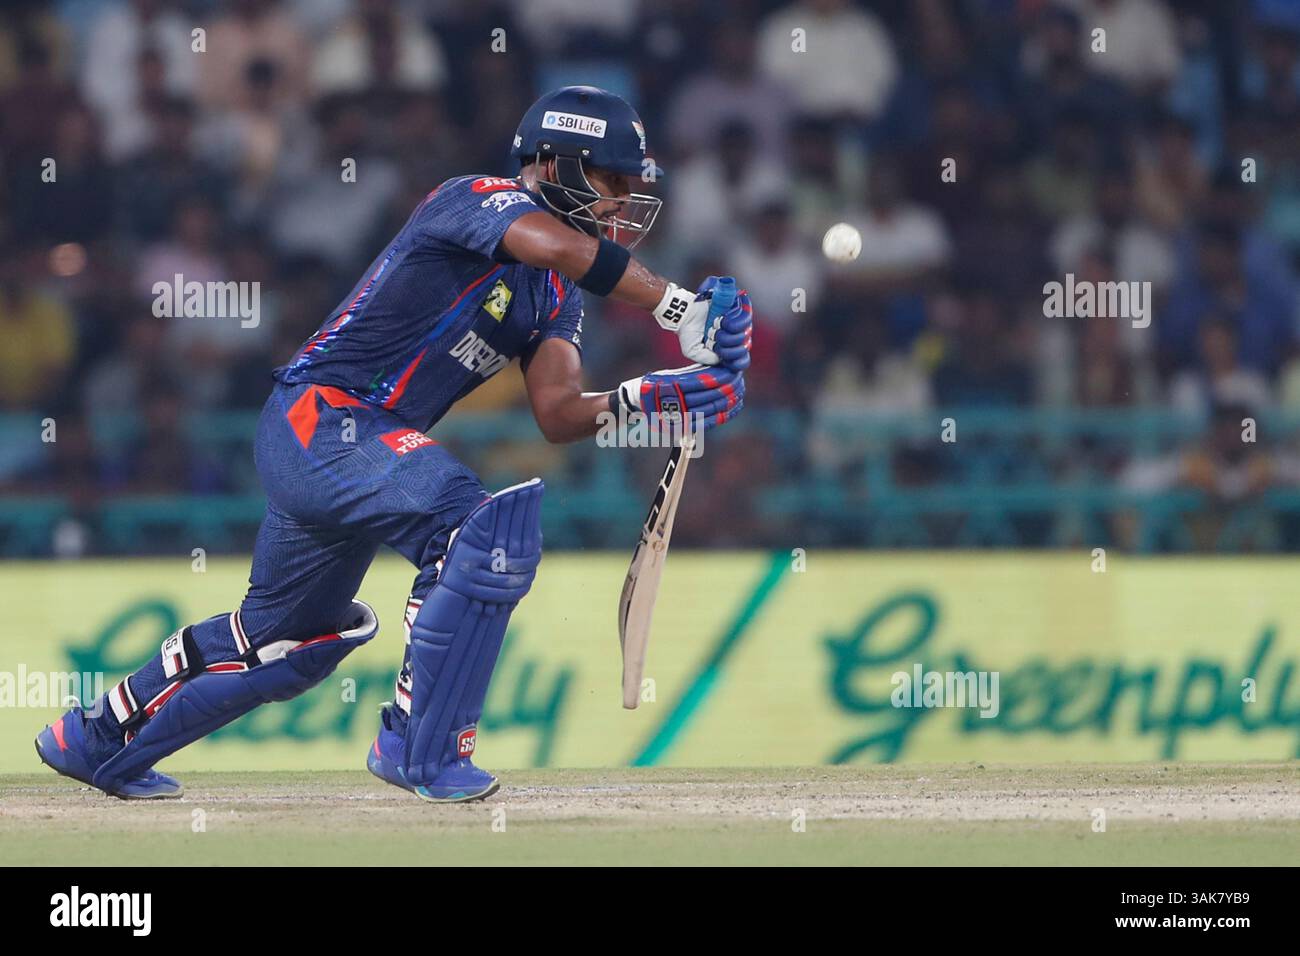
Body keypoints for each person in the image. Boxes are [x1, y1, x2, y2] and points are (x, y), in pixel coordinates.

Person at [36, 86, 752, 802]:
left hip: (348, 450)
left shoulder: (556, 294)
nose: (621, 203)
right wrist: (677, 305)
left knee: (286, 646)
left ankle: (95, 739)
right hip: (321, 418)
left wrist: (651, 400)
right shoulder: (477, 196)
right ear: (555, 163)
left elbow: (560, 412)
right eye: (612, 181)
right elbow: (559, 245)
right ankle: (419, 747)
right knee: (477, 526)